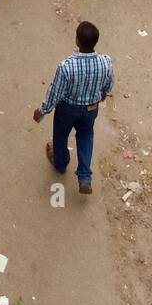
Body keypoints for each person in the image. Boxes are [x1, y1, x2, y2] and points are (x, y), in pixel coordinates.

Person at [33, 20, 114, 195]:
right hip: (91, 109)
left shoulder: (66, 66)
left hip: (68, 109)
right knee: (86, 135)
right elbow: (108, 85)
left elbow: (56, 92)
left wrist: (42, 111)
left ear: (77, 40)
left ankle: (61, 163)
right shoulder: (106, 62)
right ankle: (85, 176)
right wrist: (102, 96)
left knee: (61, 136)